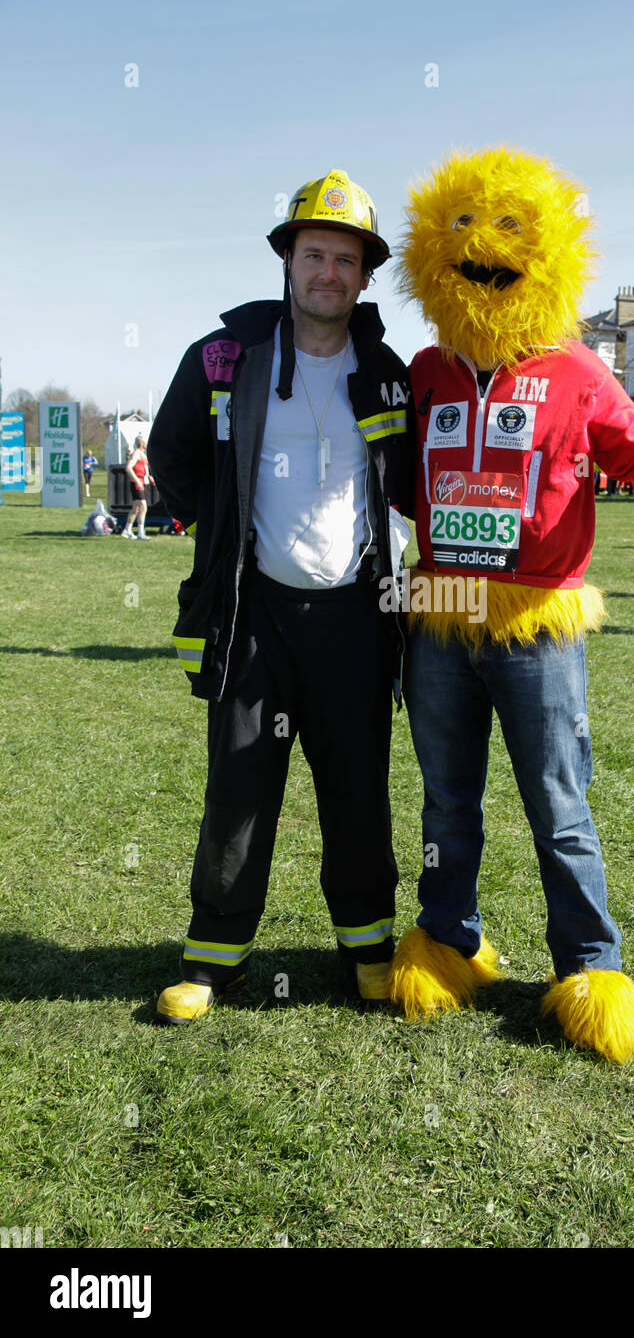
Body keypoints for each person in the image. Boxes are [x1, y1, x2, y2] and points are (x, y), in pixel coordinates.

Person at [387, 146, 634, 1063]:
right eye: (463, 228)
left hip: (539, 627)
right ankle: (448, 939)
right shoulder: (423, 369)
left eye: (506, 231)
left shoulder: (575, 371)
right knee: (446, 805)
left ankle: (589, 966)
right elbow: (398, 480)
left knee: (558, 805)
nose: (483, 250)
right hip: (441, 615)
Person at [147, 169, 414, 1024]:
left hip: (357, 618)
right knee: (239, 787)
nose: (327, 272)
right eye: (313, 254)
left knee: (358, 788)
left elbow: (414, 478)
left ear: (365, 275)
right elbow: (172, 452)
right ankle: (212, 959)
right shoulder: (224, 358)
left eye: (345, 258)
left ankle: (370, 947)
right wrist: (219, 530)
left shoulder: (386, 371)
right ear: (287, 261)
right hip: (253, 613)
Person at [121, 435, 153, 539]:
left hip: (143, 481)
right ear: (141, 443)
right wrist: (137, 480)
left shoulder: (143, 454)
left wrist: (149, 477)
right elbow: (129, 467)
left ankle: (127, 529)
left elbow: (144, 468)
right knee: (143, 506)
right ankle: (140, 532)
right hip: (137, 483)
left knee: (136, 508)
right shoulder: (136, 453)